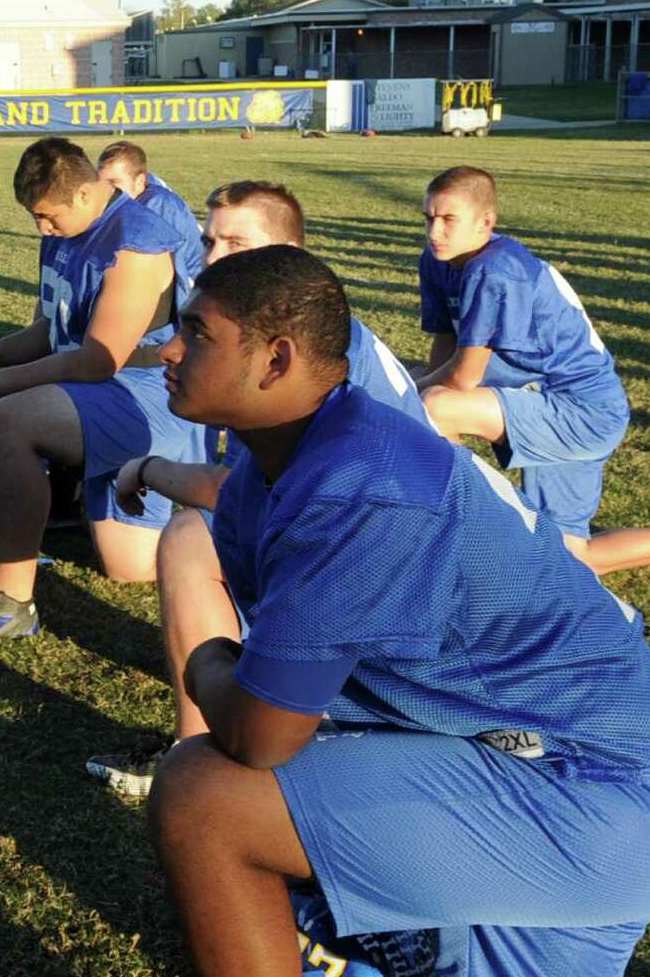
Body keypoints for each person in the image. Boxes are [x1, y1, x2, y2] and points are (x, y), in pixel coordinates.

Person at [78, 246, 650, 977]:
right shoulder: (296, 450)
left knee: (204, 796)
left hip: (594, 798)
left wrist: (210, 658)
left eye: (197, 333)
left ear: (276, 359)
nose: (166, 349)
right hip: (577, 776)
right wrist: (159, 472)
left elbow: (256, 736)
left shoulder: (356, 480)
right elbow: (242, 513)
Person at [87, 181, 428, 796]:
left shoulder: (291, 352)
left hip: (399, 563)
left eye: (237, 242)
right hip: (382, 539)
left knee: (192, 537)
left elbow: (253, 497)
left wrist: (152, 471)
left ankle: (199, 754)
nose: (215, 257)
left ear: (289, 254)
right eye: (210, 240)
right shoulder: (289, 327)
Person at [0, 137, 204, 638]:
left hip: (145, 396)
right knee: (130, 567)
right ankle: (67, 498)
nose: (41, 227)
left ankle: (12, 605)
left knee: (11, 419)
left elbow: (99, 360)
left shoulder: (137, 241)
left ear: (83, 195)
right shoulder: (64, 231)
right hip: (100, 394)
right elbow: (47, 332)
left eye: (47, 216)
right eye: (35, 217)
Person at [414, 165, 650, 576]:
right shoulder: (436, 260)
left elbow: (462, 379)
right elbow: (444, 345)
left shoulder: (497, 270)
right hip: (544, 399)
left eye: (448, 220)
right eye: (428, 218)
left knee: (437, 404)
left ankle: (461, 533)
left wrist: (407, 390)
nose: (434, 231)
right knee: (570, 561)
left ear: (486, 223)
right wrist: (415, 382)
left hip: (582, 411)